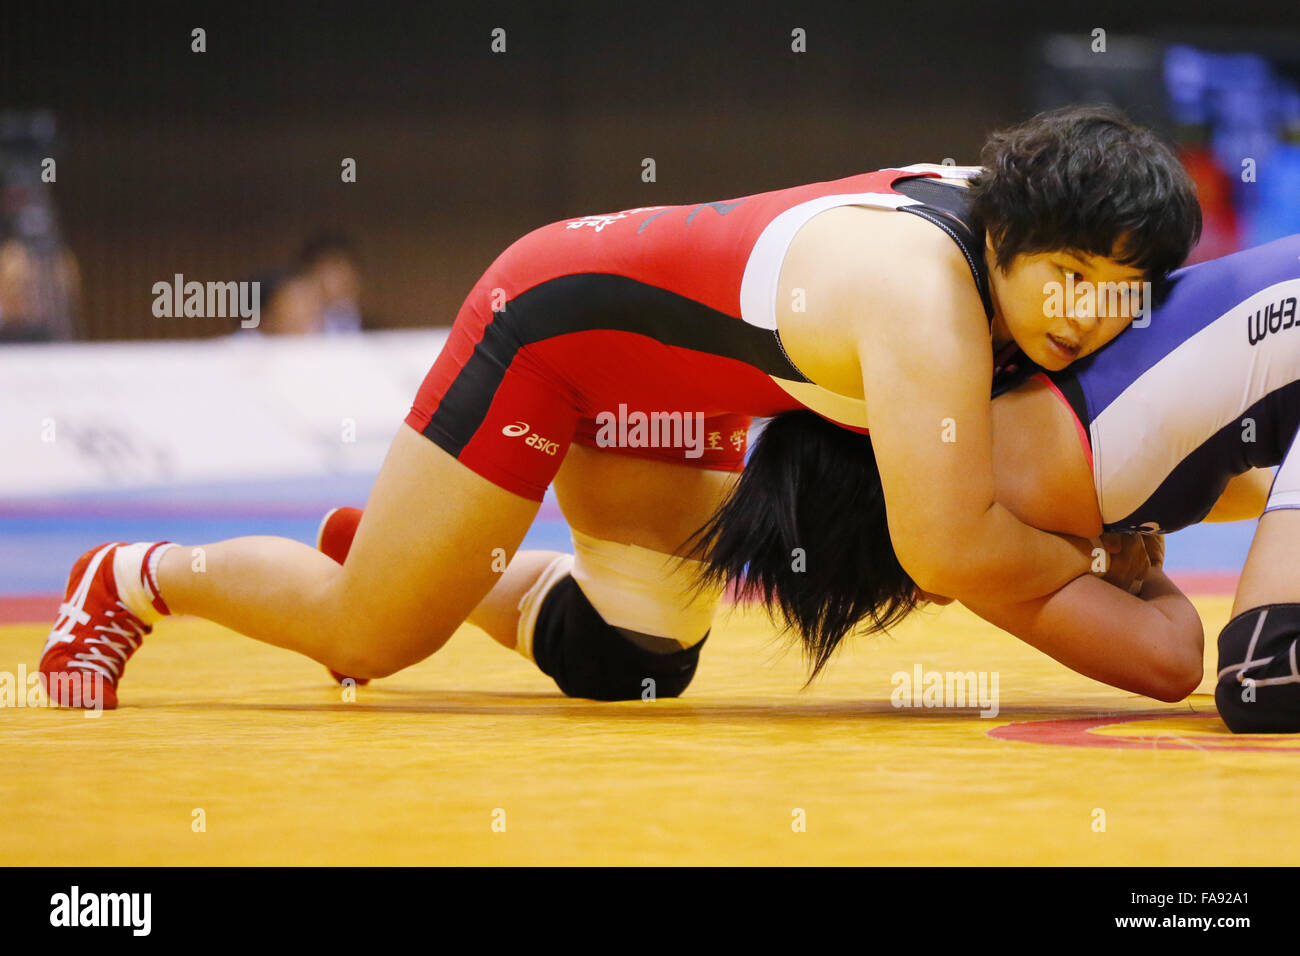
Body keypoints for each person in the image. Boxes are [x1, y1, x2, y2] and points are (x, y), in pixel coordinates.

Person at [38, 106, 1199, 709]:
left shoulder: (1002, 245)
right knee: (369, 635)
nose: (1089, 315)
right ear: (1021, 220)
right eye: (1074, 274)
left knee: (633, 661)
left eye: (1118, 294)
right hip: (550, 332)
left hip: (675, 394)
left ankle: (456, 561)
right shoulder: (923, 296)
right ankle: (137, 575)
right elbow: (943, 546)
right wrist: (1112, 567)